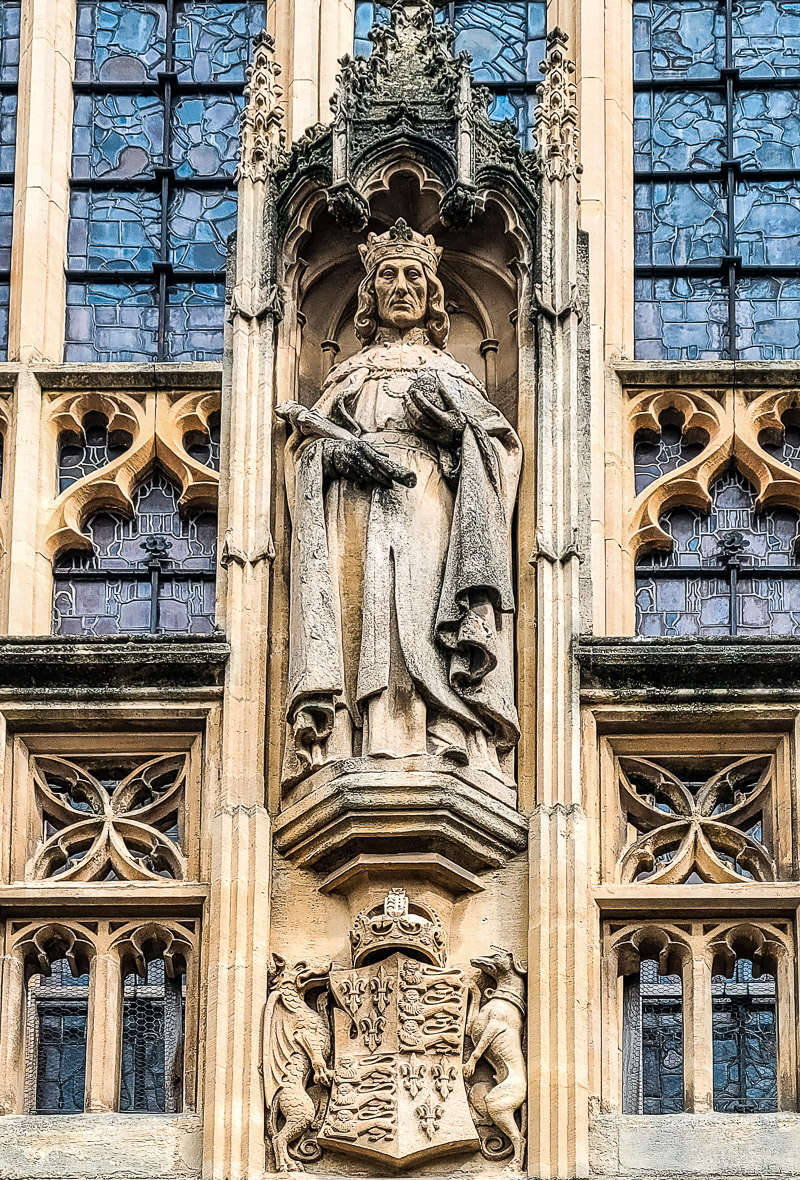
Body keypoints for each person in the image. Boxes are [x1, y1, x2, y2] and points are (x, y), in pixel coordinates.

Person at [281, 219, 521, 789]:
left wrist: (456, 434)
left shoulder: (451, 372)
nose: (401, 285)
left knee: (421, 612)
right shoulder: (346, 375)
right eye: (387, 275)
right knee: (369, 618)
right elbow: (303, 456)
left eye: (414, 274)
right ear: (370, 293)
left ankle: (446, 736)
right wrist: (329, 459)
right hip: (357, 512)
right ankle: (360, 738)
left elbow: (500, 450)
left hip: (431, 506)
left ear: (433, 292)